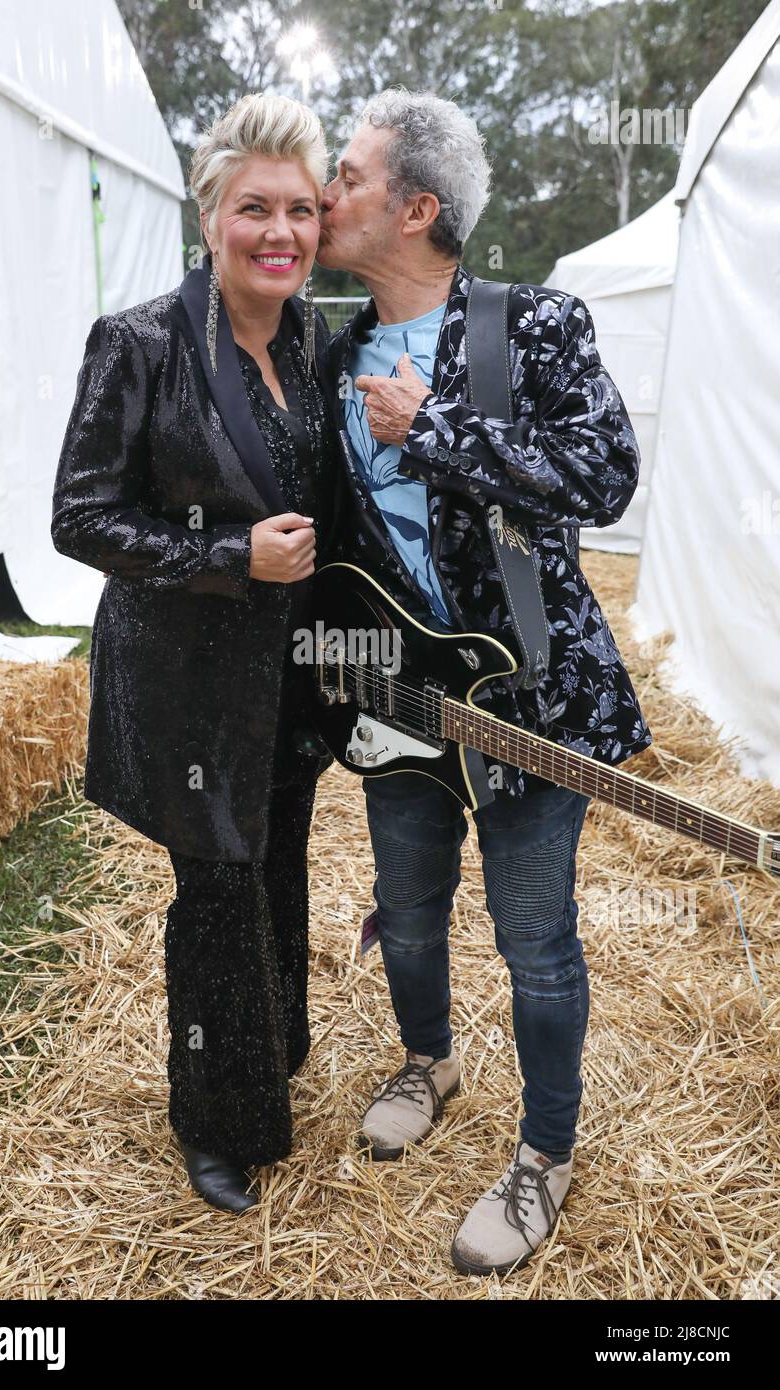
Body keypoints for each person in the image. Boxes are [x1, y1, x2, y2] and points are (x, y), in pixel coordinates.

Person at [316, 87, 653, 1275]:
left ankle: (544, 1154)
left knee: (535, 941)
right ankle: (429, 1059)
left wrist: (439, 429)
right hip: (391, 696)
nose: (324, 191)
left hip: (525, 697)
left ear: (415, 208)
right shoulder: (323, 344)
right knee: (405, 912)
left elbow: (605, 473)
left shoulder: (533, 323)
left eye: (346, 175)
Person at [51, 92, 343, 1214]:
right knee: (215, 894)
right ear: (209, 212)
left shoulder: (315, 340)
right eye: (254, 208)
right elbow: (80, 517)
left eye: (301, 212)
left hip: (286, 680)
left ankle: (268, 1060)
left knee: (278, 865)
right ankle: (213, 1122)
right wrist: (228, 554)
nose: (281, 233)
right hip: (181, 685)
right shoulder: (137, 343)